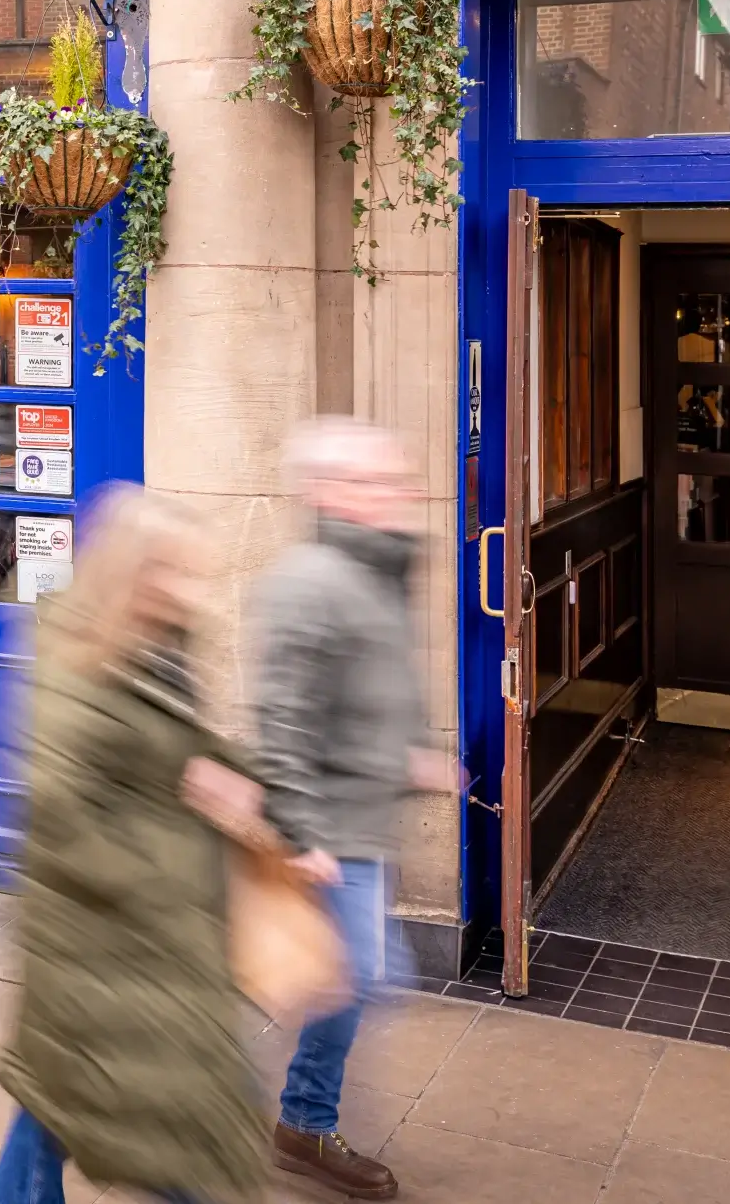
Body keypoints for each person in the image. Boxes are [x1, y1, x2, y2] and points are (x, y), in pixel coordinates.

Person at [0, 484, 273, 1204]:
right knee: (168, 1119)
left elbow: (188, 748)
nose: (189, 590)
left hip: (146, 946)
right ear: (130, 572)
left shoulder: (159, 650)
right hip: (107, 936)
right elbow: (56, 812)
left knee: (65, 1091)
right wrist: (169, 893)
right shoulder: (76, 662)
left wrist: (242, 783)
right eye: (172, 571)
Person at [250, 418, 456, 1202]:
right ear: (328, 492)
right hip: (328, 827)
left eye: (397, 479)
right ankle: (296, 1118)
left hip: (362, 815)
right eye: (375, 482)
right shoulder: (309, 580)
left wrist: (410, 753)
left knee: (356, 977)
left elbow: (375, 685)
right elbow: (283, 715)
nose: (398, 494)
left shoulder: (374, 569)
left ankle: (297, 1115)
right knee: (360, 975)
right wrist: (301, 832)